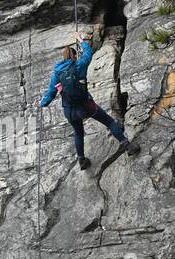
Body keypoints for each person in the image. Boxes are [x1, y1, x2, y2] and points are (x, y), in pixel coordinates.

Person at [40, 32, 140, 171]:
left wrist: (42, 104)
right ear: (74, 56)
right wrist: (81, 40)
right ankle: (127, 146)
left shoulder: (57, 72)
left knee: (78, 132)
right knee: (109, 122)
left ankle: (81, 160)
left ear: (63, 57)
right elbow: (88, 53)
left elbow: (51, 92)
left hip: (69, 110)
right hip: (85, 105)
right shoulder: (80, 64)